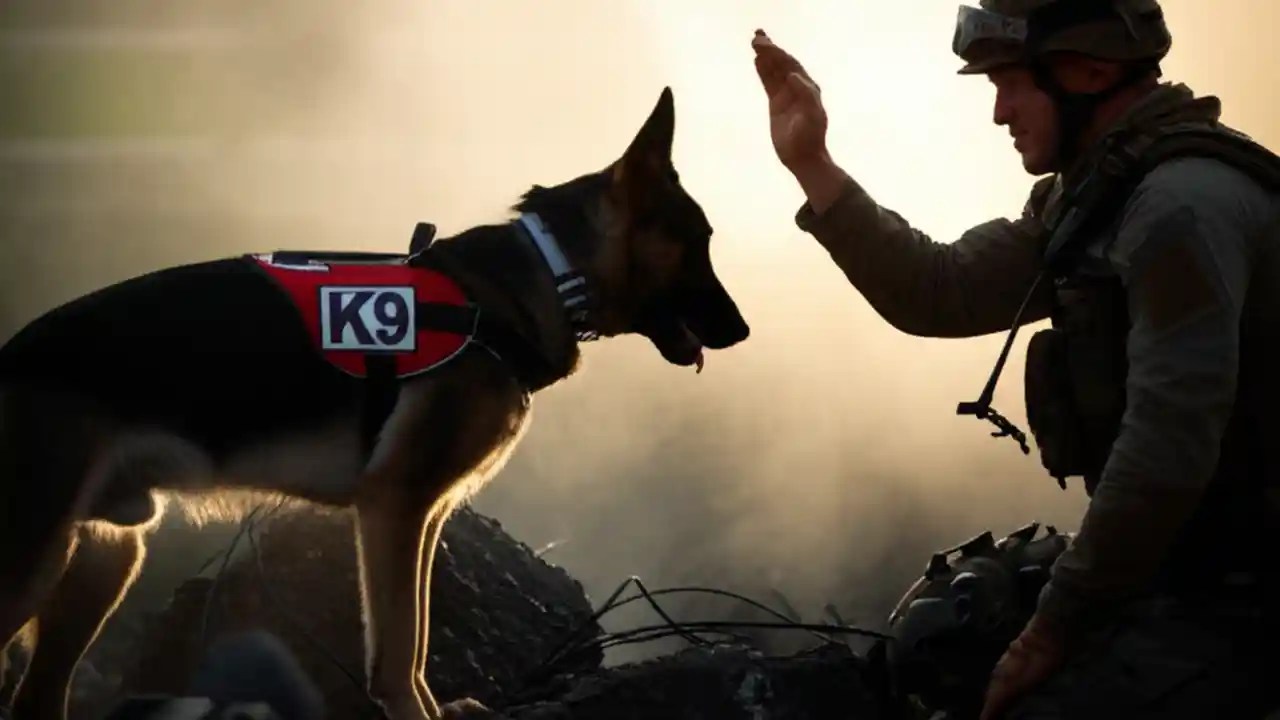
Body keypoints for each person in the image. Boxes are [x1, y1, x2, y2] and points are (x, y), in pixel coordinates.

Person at [751, 1, 1280, 718]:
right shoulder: (1098, 195)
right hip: (1184, 563)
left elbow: (1168, 447)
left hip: (1245, 591)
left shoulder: (1179, 207)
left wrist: (1054, 626)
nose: (999, 112)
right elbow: (942, 291)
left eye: (1010, 83)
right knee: (937, 639)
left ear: (1087, 71)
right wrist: (813, 164)